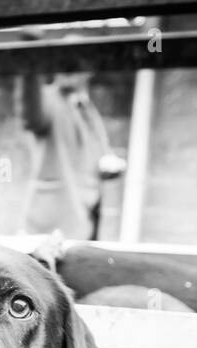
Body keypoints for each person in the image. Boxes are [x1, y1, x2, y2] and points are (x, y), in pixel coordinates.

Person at [22, 70, 125, 240]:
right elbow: (30, 114)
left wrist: (109, 165)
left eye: (74, 66)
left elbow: (99, 152)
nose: (67, 71)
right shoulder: (46, 99)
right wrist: (31, 65)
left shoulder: (87, 108)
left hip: (86, 218)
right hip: (53, 225)